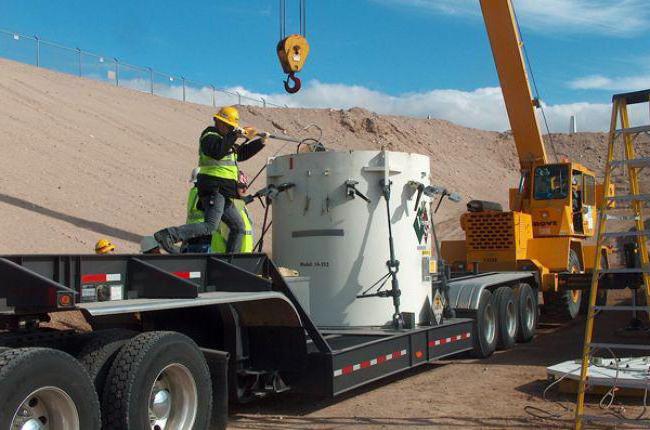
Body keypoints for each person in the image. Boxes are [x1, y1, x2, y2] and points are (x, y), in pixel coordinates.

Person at [154, 106, 268, 253]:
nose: (230, 128)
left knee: (238, 228)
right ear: (220, 123)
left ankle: (230, 261)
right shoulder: (210, 135)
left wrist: (260, 142)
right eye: (229, 126)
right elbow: (217, 152)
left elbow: (241, 154)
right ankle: (168, 235)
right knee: (210, 226)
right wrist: (234, 135)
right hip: (214, 188)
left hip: (225, 192)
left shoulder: (226, 140)